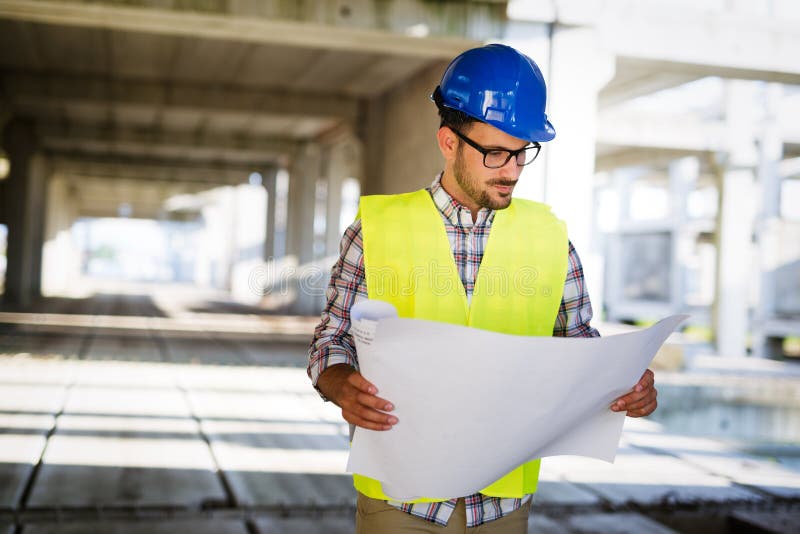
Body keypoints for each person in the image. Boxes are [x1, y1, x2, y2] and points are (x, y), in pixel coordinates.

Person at [307, 43, 658, 533]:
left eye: (522, 152)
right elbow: (331, 341)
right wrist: (340, 383)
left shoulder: (552, 239)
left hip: (502, 504)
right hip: (400, 499)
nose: (512, 169)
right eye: (496, 152)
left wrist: (624, 384)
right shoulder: (375, 231)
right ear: (449, 142)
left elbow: (580, 352)